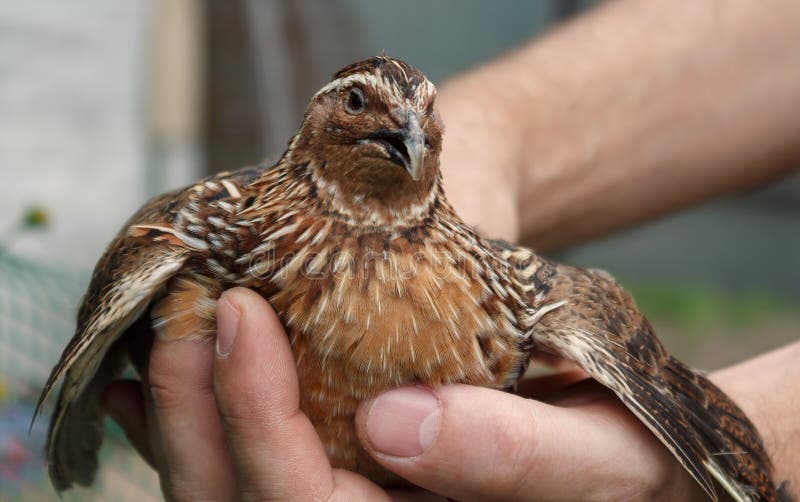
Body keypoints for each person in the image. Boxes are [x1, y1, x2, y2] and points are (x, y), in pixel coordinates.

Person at [103, 1, 800, 500]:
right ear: (315, 122)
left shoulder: (522, 297)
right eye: (355, 104)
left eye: (420, 117)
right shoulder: (206, 240)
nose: (401, 125)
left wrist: (719, 460)